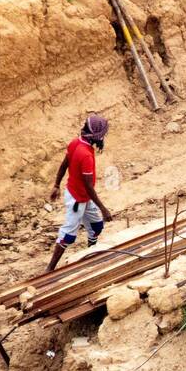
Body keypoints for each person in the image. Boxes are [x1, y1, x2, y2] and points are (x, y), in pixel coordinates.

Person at [47, 113, 114, 271]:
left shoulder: (75, 142)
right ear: (96, 135)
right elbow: (89, 187)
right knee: (68, 234)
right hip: (77, 200)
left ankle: (91, 253)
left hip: (80, 194)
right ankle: (50, 269)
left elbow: (64, 165)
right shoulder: (86, 156)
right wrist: (103, 209)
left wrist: (56, 185)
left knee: (96, 226)